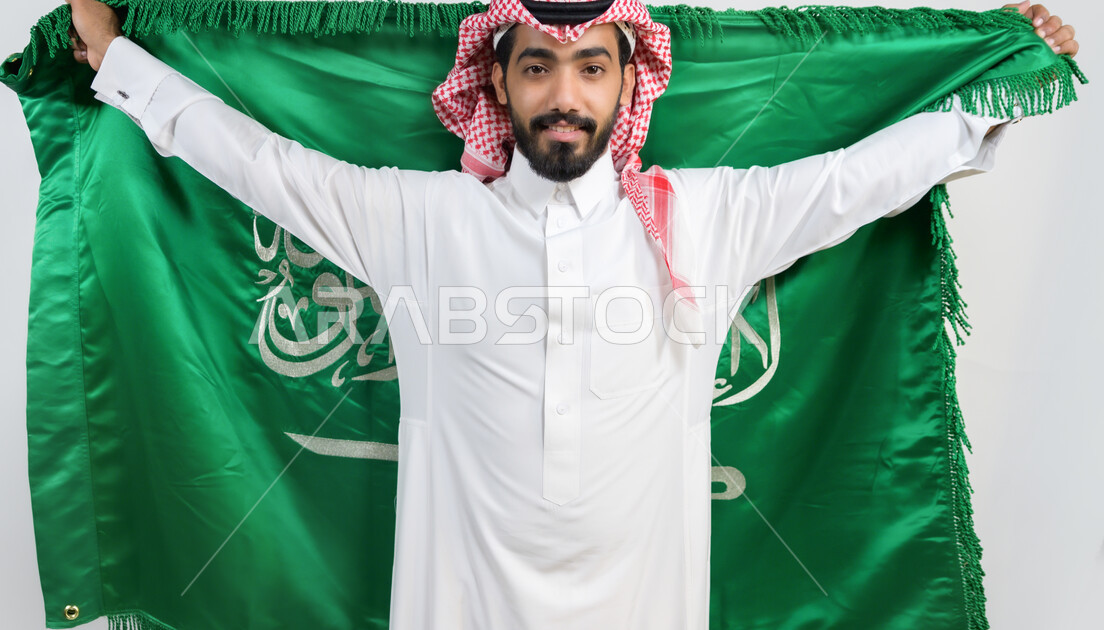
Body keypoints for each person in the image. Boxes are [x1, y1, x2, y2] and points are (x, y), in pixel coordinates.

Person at [64, 0, 1078, 628]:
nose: (564, 94)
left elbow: (858, 180)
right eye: (538, 66)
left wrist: (999, 87)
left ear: (628, 84)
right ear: (496, 84)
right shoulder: (417, 220)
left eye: (591, 67)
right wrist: (120, 65)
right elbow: (260, 164)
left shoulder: (705, 222)